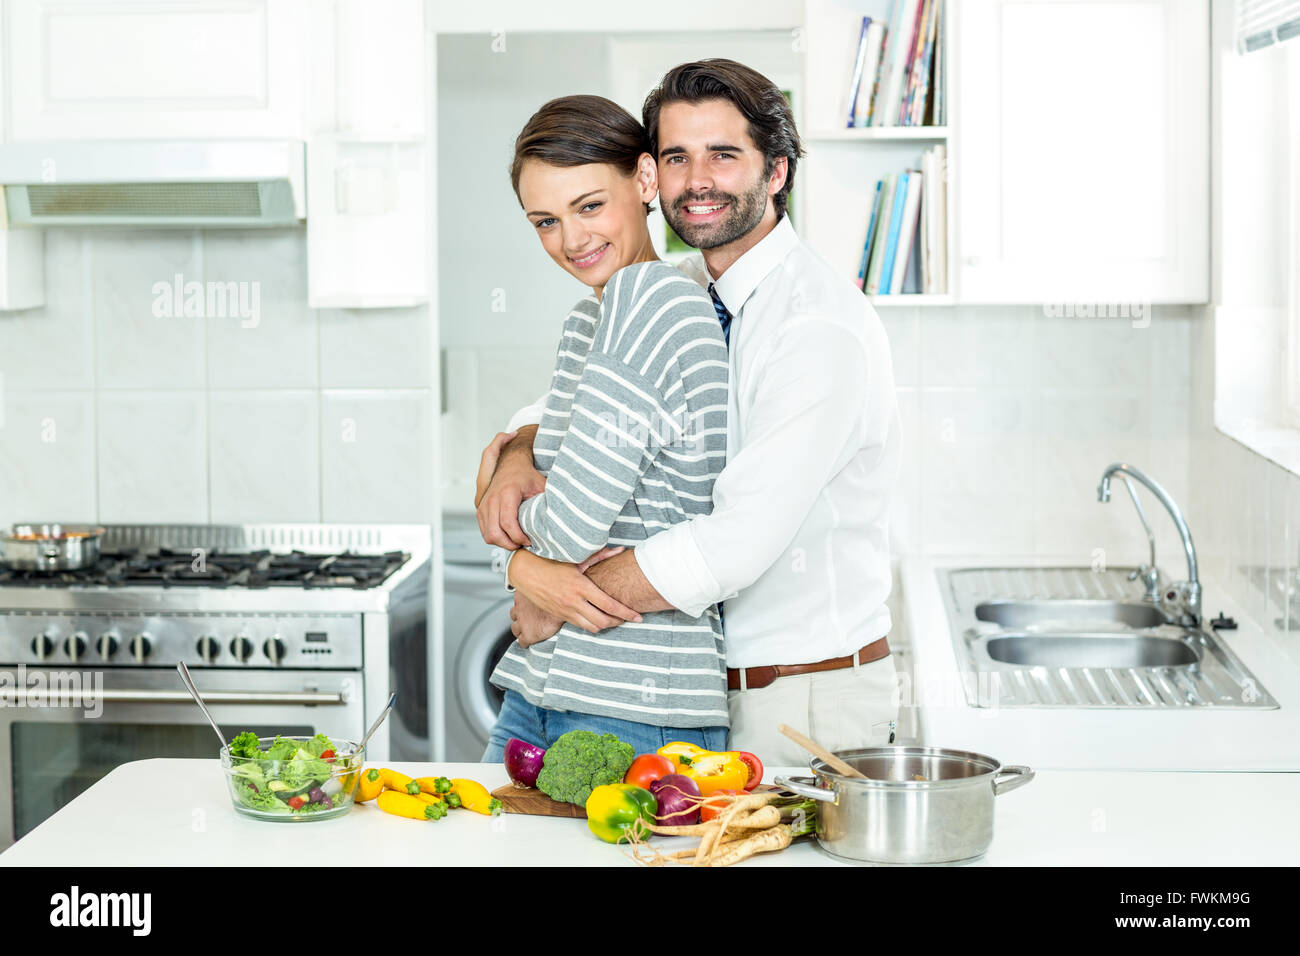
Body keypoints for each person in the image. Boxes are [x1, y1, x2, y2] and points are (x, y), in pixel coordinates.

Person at [478, 61, 902, 767]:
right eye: (678, 157)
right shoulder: (675, 291)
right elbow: (555, 418)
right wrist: (520, 453)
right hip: (688, 679)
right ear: (652, 173)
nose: (697, 180)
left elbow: (735, 541)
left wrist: (550, 589)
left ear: (777, 172)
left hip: (795, 695)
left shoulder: (816, 327)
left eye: (723, 155)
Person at [476, 94, 731, 763]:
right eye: (546, 221)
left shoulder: (651, 301)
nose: (571, 240)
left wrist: (519, 559)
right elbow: (546, 501)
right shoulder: (591, 318)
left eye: (589, 206)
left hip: (635, 702)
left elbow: (571, 526)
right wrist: (522, 528)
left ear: (645, 180)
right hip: (546, 681)